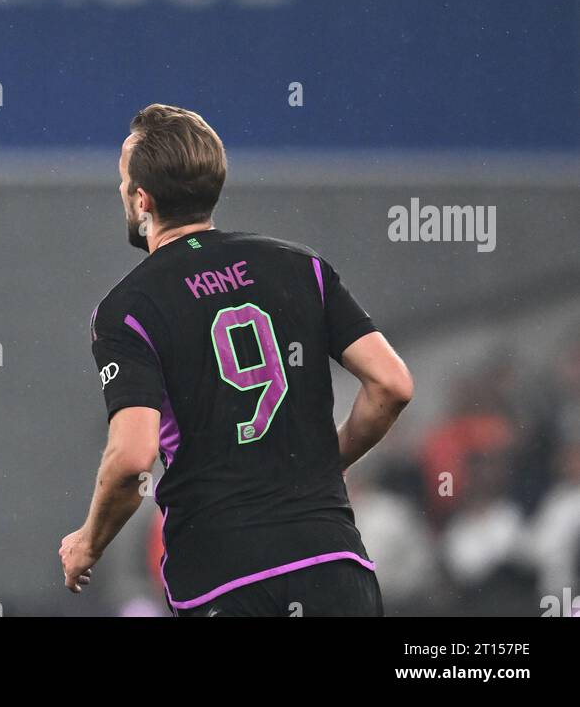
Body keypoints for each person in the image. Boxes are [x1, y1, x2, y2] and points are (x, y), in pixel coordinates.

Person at [59, 103, 413, 617]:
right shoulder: (301, 267)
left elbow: (132, 460)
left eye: (122, 180)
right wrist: (322, 465)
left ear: (142, 199)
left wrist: (88, 542)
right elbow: (392, 385)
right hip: (333, 564)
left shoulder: (128, 310)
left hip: (224, 577)